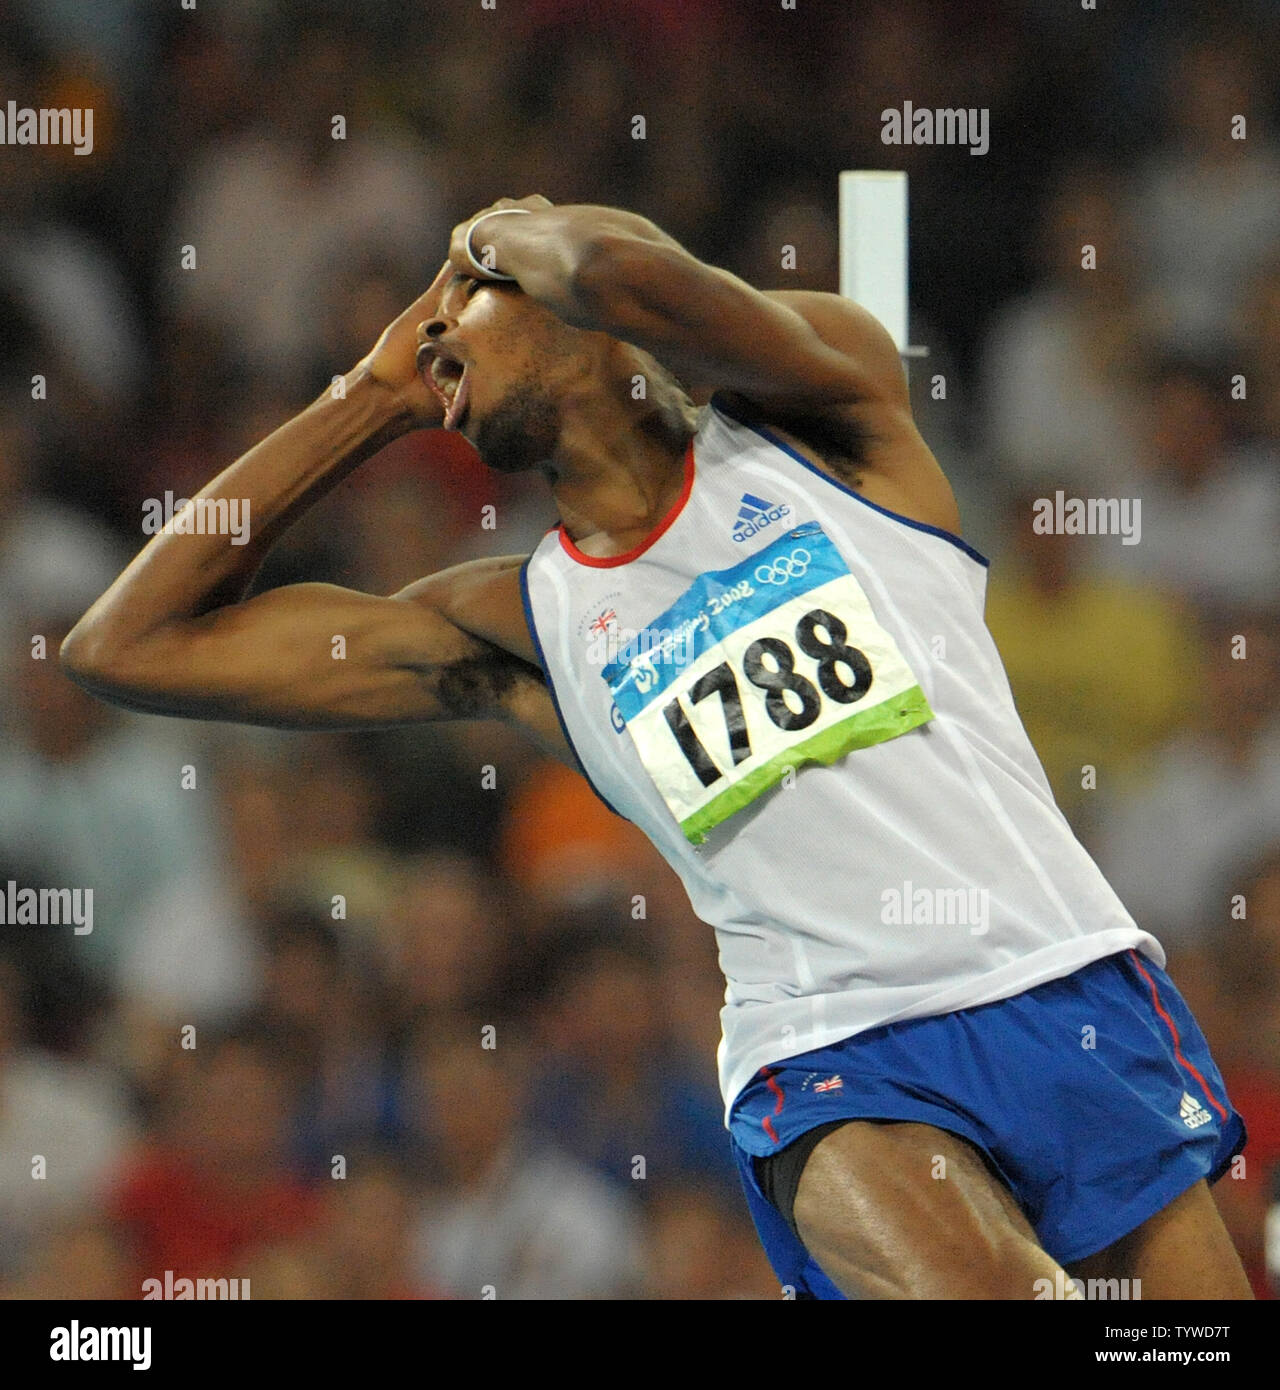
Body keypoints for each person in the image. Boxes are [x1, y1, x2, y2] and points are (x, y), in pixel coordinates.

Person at [62, 196, 1251, 1300]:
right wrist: (367, 398)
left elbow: (627, 272)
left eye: (459, 312)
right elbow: (127, 645)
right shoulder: (522, 621)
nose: (435, 348)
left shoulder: (828, 429)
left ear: (574, 311)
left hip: (1058, 983)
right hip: (829, 1051)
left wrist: (508, 232)